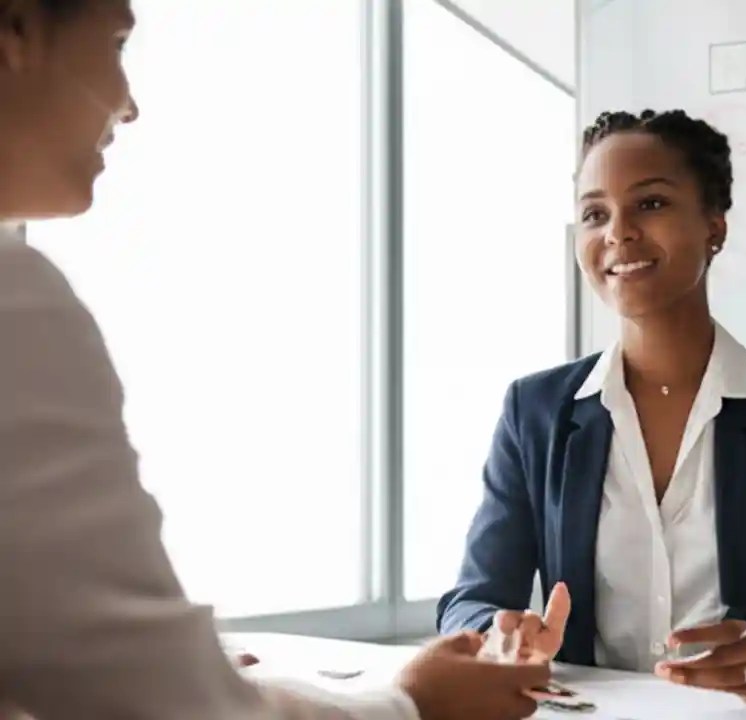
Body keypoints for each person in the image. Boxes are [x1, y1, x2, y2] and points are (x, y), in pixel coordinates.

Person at [0, 1, 549, 718]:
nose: (128, 104)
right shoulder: (18, 302)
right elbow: (173, 709)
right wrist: (408, 704)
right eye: (116, 41)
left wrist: (177, 662)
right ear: (15, 32)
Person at [437, 108, 746, 703]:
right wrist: (498, 634)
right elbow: (470, 600)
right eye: (595, 213)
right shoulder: (536, 410)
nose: (617, 232)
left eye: (650, 204)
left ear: (714, 228)